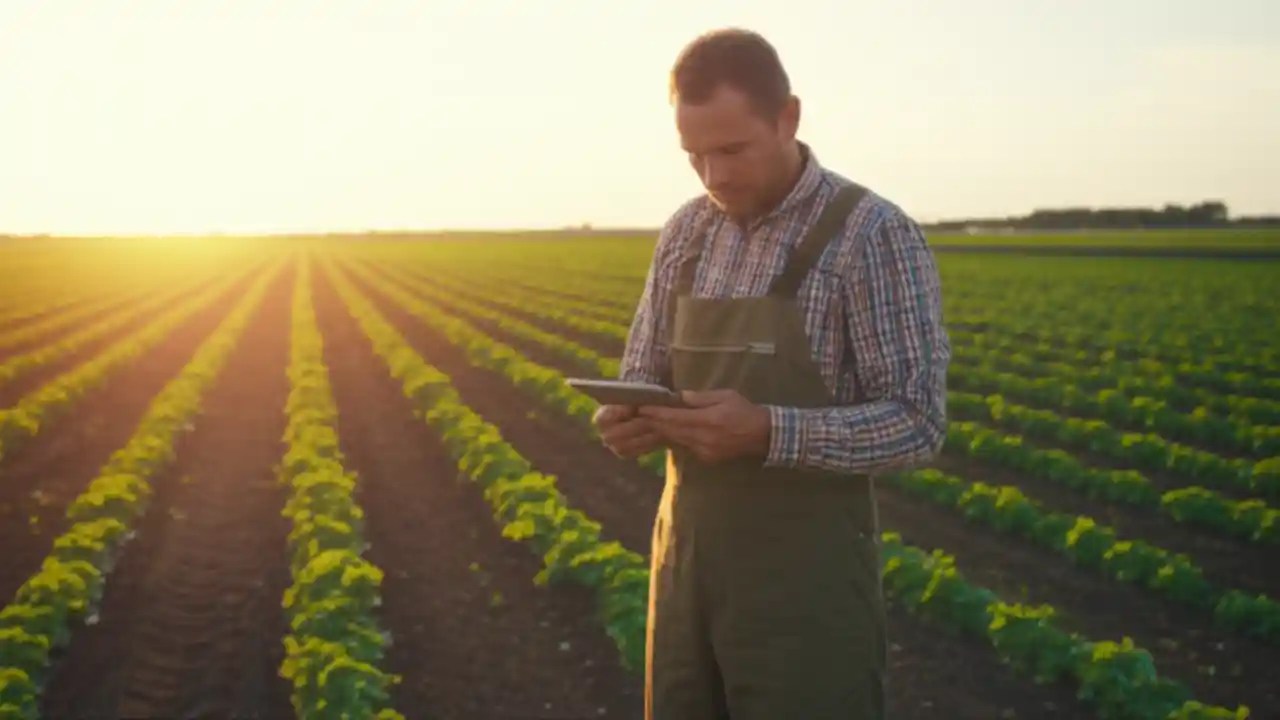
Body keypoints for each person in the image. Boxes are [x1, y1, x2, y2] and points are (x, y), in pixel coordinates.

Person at [592, 27, 952, 720]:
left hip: (807, 591)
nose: (714, 176)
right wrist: (623, 418)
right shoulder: (686, 232)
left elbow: (917, 422)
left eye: (732, 149)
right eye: (694, 156)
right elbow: (641, 370)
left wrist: (766, 432)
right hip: (686, 569)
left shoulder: (872, 234)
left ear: (787, 118)